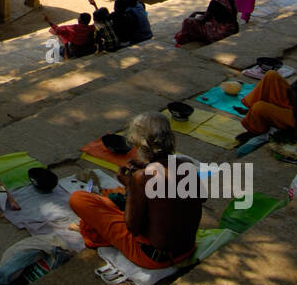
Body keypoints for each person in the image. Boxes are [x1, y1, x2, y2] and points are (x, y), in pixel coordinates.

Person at [67, 113, 202, 269]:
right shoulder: (187, 164)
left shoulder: (141, 178)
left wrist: (131, 188)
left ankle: (97, 232)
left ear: (141, 146)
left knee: (78, 199)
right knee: (109, 199)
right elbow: (200, 198)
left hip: (153, 257)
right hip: (187, 247)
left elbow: (133, 227)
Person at [174, 0, 238, 46]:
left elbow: (204, 20)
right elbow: (214, 12)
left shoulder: (215, 2)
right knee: (197, 18)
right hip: (232, 28)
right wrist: (197, 13)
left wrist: (194, 18)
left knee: (187, 21)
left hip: (220, 32)